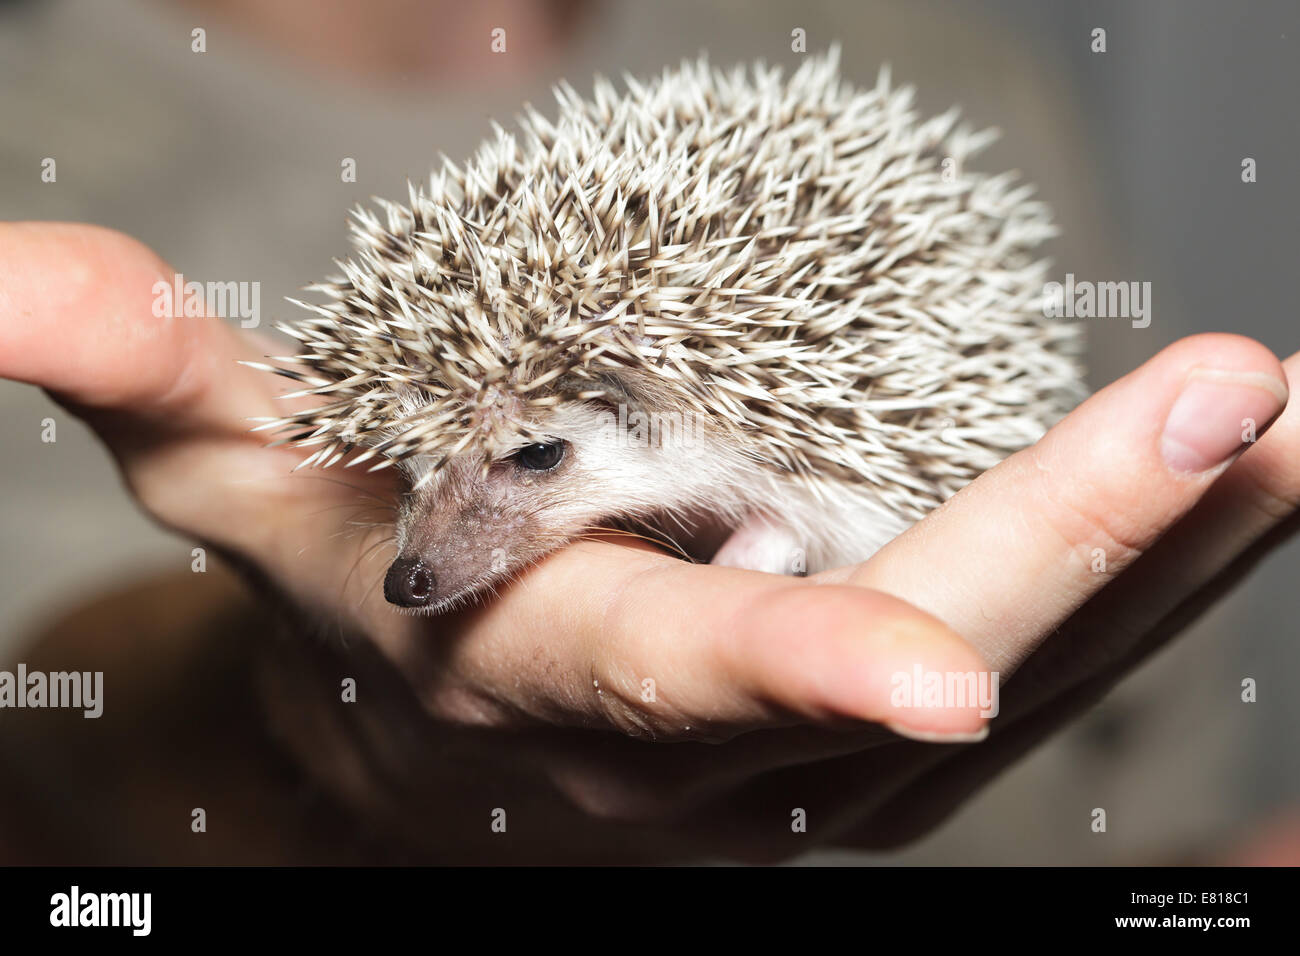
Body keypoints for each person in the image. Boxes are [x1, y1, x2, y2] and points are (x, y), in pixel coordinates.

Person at [1, 220, 1295, 863]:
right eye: (434, 481)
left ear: (663, 412)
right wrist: (337, 721)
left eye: (532, 463)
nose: (432, 555)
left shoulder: (956, 49)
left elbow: (1163, 838)